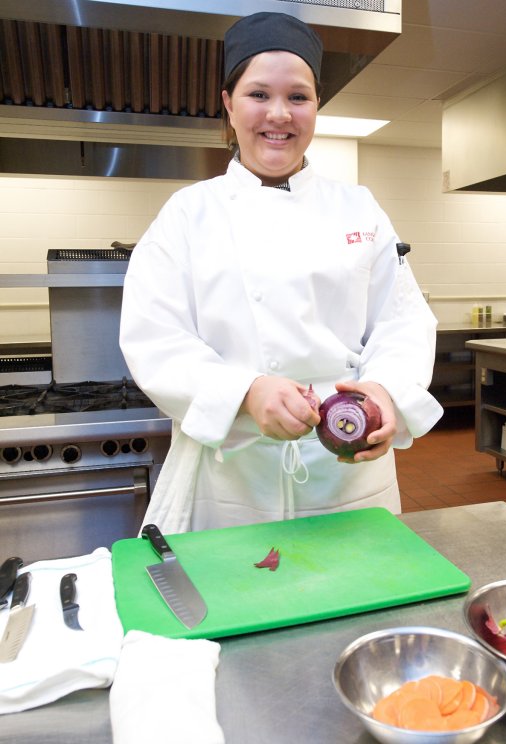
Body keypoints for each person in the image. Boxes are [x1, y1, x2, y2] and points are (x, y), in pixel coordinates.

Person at [119, 11, 443, 532]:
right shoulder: (187, 214)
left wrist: (384, 391)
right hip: (233, 477)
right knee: (239, 602)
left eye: (298, 97)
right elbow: (154, 338)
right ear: (228, 103)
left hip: (350, 473)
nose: (280, 114)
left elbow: (402, 322)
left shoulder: (359, 209)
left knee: (357, 607)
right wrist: (246, 391)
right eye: (258, 95)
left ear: (317, 106)